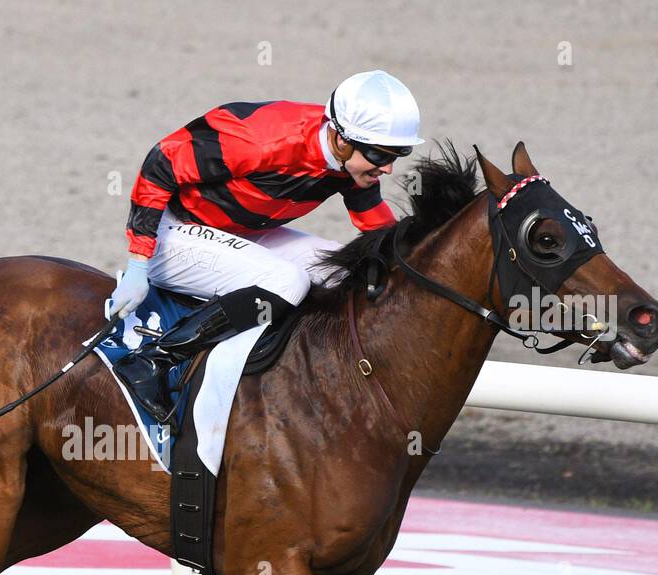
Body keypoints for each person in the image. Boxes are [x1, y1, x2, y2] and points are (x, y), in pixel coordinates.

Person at [108, 69, 425, 421]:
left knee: (339, 270)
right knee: (286, 281)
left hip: (238, 231)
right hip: (172, 232)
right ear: (340, 138)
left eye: (397, 154)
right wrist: (139, 261)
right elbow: (160, 164)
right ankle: (151, 362)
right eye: (381, 156)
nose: (390, 169)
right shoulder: (262, 140)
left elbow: (373, 224)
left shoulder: (350, 159)